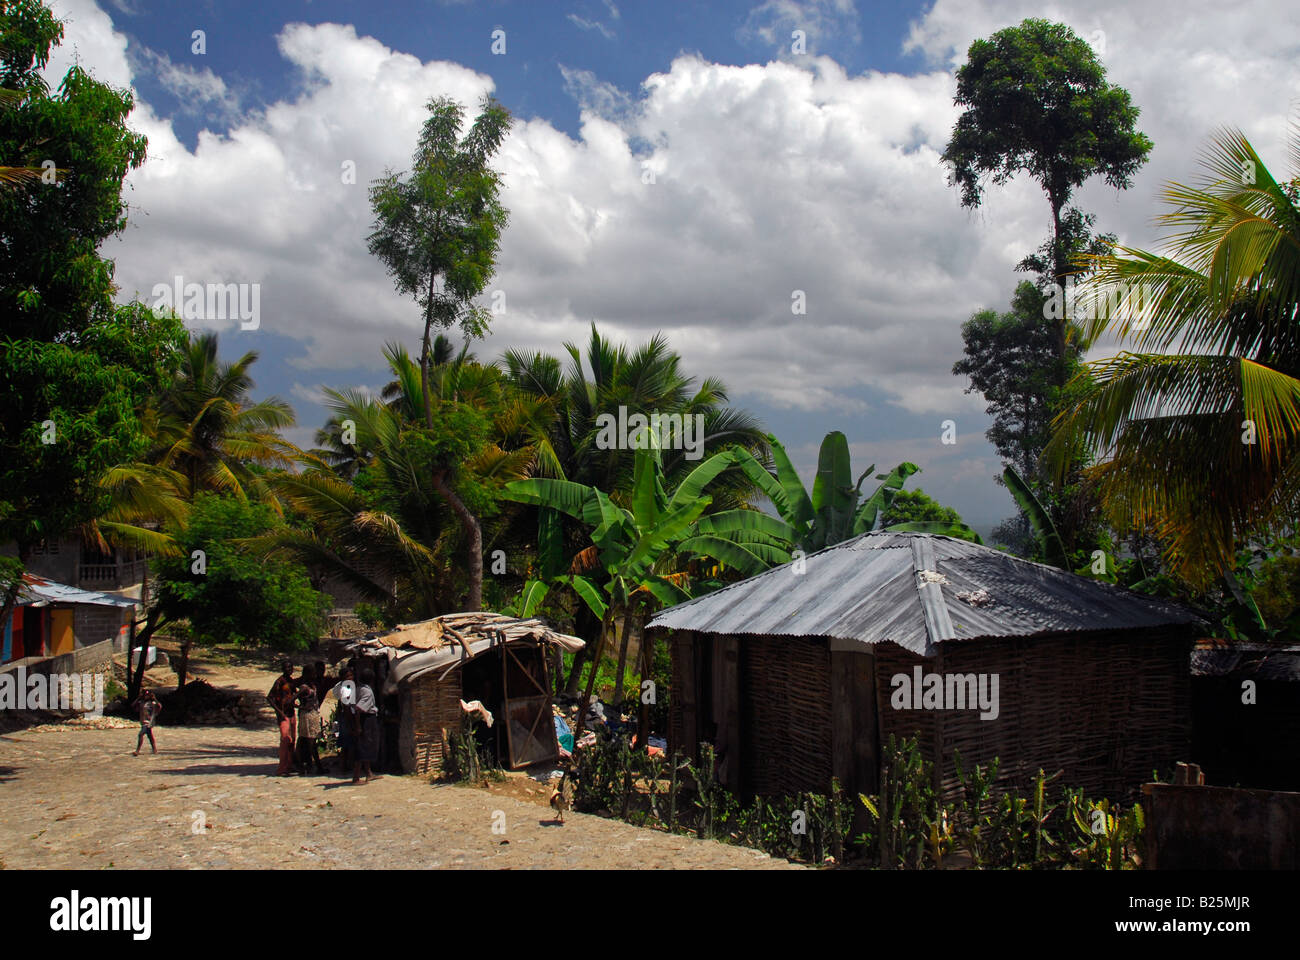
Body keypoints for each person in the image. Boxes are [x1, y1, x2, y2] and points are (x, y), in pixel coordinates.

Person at [267, 659, 298, 776]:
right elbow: (270, 697)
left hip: (291, 714)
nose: (288, 670)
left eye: (290, 667)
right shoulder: (279, 682)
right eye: (286, 668)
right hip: (284, 715)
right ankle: (281, 768)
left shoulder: (292, 682)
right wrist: (279, 712)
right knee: (285, 740)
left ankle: (289, 766)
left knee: (292, 741)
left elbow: (291, 697)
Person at [352, 667, 382, 784]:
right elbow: (359, 709)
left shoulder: (359, 689)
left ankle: (368, 772)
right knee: (363, 747)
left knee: (367, 745)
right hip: (366, 720)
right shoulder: (367, 692)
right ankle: (356, 777)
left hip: (365, 719)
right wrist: (358, 725)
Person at [296, 664, 325, 774]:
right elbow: (291, 700)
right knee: (310, 741)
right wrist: (302, 707)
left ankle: (307, 765)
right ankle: (316, 766)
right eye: (313, 673)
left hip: (312, 714)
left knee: (307, 740)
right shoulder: (304, 687)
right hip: (308, 715)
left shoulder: (312, 685)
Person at [331, 665, 356, 775]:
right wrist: (350, 719)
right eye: (348, 676)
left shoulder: (342, 686)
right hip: (347, 716)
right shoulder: (345, 688)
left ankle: (345, 765)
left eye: (351, 675)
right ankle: (344, 765)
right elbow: (346, 706)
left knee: (345, 741)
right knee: (346, 742)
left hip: (343, 716)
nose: (350, 677)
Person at [131, 689, 162, 755]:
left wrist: (155, 699)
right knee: (150, 735)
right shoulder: (141, 702)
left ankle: (137, 750)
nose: (146, 696)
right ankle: (154, 749)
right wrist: (138, 698)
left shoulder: (152, 703)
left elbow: (159, 706)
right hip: (143, 721)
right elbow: (133, 705)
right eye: (145, 695)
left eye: (147, 695)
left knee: (141, 734)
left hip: (149, 722)